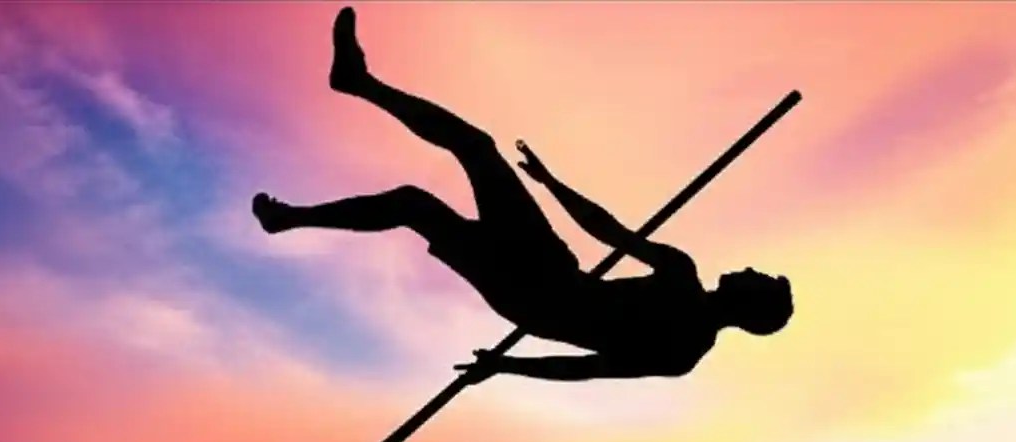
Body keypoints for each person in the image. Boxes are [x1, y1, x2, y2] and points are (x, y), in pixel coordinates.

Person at [253, 7, 793, 383]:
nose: (751, 269)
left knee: (415, 203)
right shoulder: (681, 276)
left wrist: (508, 366)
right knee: (473, 148)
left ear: (751, 305)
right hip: (549, 270)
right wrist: (550, 182)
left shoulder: (683, 348)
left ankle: (290, 218)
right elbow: (605, 229)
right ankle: (356, 84)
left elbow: (590, 368)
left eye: (760, 279)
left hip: (530, 298)